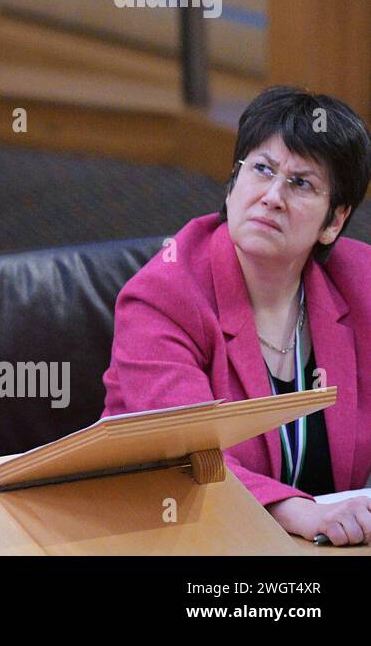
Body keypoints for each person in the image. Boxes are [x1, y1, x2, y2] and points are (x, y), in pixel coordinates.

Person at [103, 86, 371, 545]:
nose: (272, 196)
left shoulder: (361, 281)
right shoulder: (164, 295)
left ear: (333, 221)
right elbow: (186, 453)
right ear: (232, 183)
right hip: (173, 539)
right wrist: (297, 512)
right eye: (262, 170)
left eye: (300, 183)